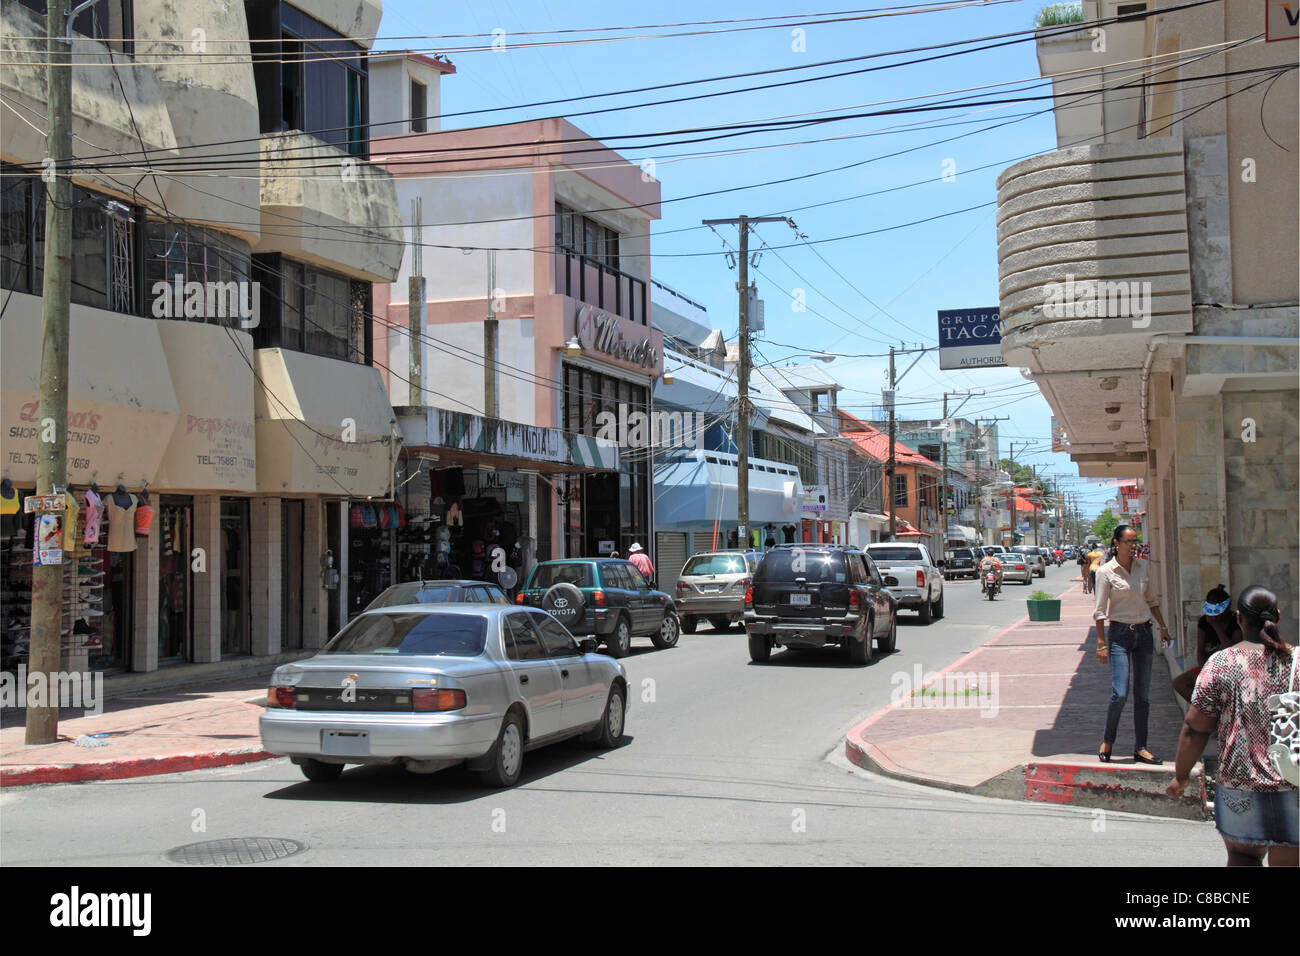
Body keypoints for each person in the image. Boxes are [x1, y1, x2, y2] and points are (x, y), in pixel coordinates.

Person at [1167, 585, 1298, 866]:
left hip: (1240, 786)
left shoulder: (1221, 664)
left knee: (1242, 857)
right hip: (1293, 783)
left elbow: (1196, 728)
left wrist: (1181, 775)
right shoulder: (1297, 662)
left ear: (1239, 618)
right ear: (1277, 615)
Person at [1093, 524, 1172, 765]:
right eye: (1128, 541)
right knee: (1120, 693)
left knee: (1143, 695)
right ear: (1116, 543)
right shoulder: (1105, 572)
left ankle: (1141, 747)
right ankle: (1108, 739)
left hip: (1144, 634)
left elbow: (1152, 600)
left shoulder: (1143, 568)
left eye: (1135, 541)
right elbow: (1098, 612)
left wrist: (1164, 627)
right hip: (1119, 636)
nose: (1133, 546)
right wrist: (1101, 644)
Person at [1172, 585, 1243, 703]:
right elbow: (1200, 652)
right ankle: (1204, 709)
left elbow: (1233, 652)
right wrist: (1205, 673)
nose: (1215, 615)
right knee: (1179, 683)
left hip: (1231, 669)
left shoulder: (1236, 620)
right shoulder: (1204, 622)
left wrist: (1217, 626)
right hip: (1209, 668)